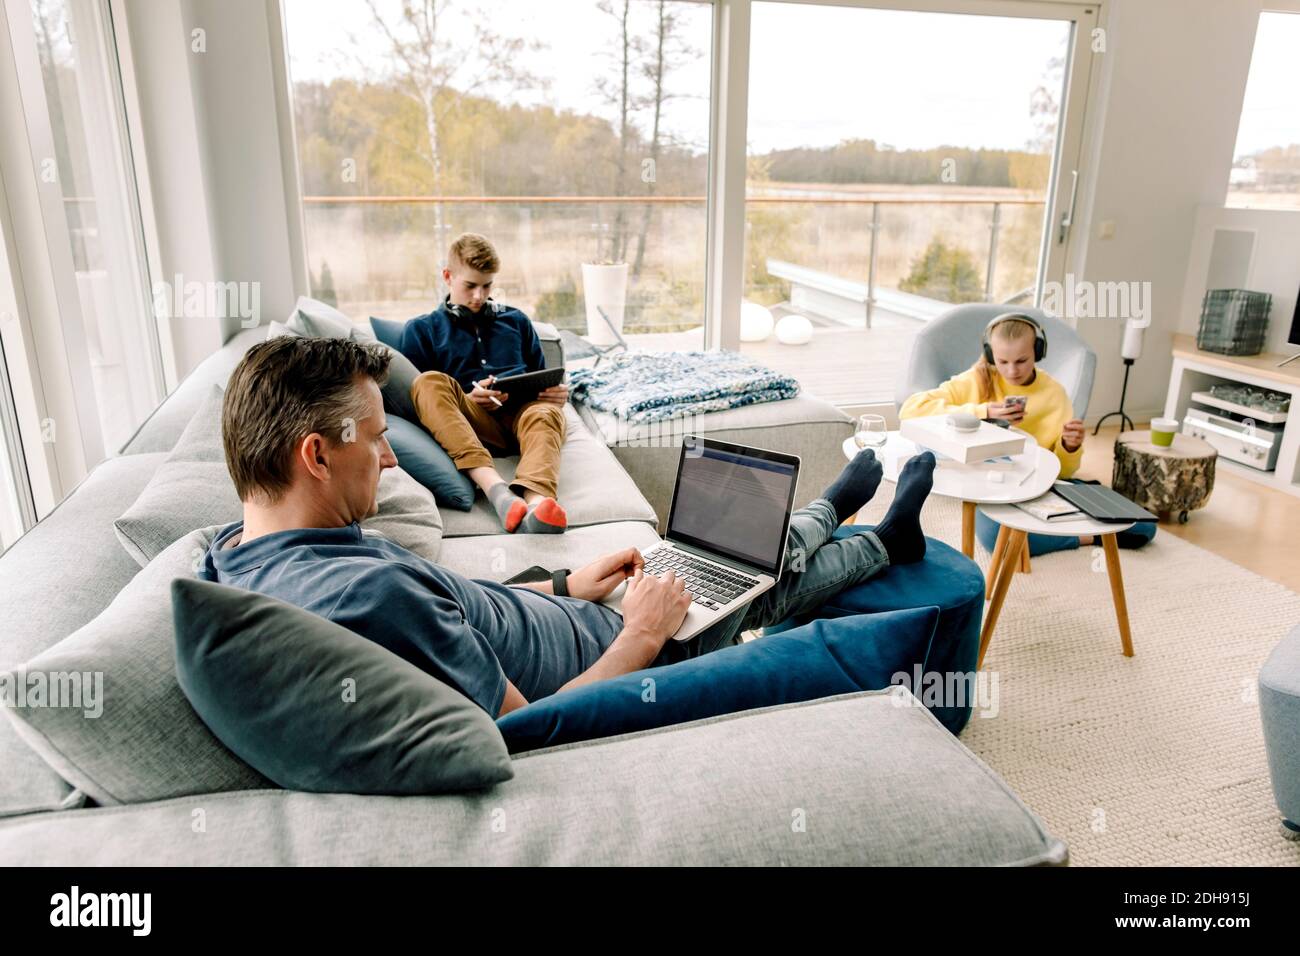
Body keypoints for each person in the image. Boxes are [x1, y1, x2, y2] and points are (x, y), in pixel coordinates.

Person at [199, 335, 938, 718]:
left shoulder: (240, 550)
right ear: (316, 456)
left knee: (717, 564)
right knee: (755, 591)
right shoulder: (363, 601)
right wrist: (643, 637)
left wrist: (562, 581)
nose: (390, 458)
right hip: (624, 657)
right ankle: (869, 533)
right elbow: (533, 728)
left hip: (579, 609)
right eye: (374, 435)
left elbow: (456, 609)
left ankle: (837, 516)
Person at [899, 312, 1155, 557]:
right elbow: (910, 410)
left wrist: (1069, 446)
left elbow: (1064, 473)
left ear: (1038, 352)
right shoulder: (976, 379)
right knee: (996, 536)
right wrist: (983, 410)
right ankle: (1086, 537)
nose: (1012, 371)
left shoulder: (1054, 394)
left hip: (1039, 483)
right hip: (991, 488)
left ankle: (1061, 529)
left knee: (1142, 525)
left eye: (1021, 360)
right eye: (1002, 362)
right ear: (990, 356)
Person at [400, 232, 569, 534]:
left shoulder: (516, 321)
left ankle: (537, 504)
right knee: (428, 382)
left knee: (546, 413)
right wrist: (467, 395)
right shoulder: (421, 330)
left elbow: (538, 376)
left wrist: (552, 394)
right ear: (448, 277)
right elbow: (422, 406)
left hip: (522, 419)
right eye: (470, 286)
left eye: (487, 286)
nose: (479, 296)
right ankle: (498, 493)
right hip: (472, 424)